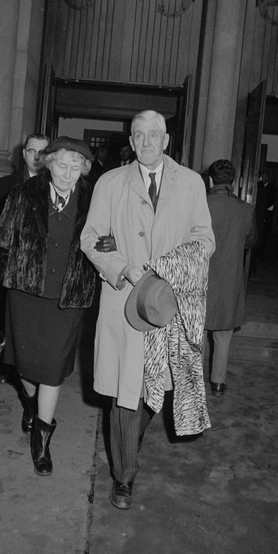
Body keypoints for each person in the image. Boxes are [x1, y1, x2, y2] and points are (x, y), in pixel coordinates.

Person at [81, 110, 215, 510]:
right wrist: (122, 267)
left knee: (156, 386)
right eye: (138, 135)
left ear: (166, 139)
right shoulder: (110, 182)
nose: (146, 142)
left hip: (167, 303)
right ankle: (124, 476)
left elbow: (205, 239)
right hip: (124, 300)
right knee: (126, 391)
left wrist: (171, 267)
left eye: (153, 135)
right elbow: (92, 238)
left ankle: (129, 441)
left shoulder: (190, 183)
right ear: (131, 141)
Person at [0, 137, 97, 476]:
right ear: (49, 163)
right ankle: (30, 404)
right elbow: (0, 241)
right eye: (62, 165)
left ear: (84, 170)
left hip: (69, 296)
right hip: (26, 292)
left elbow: (106, 238)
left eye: (75, 167)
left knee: (52, 369)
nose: (68, 173)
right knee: (26, 368)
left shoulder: (94, 200)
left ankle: (42, 440)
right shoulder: (23, 194)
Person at [0, 132, 50, 383]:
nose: (37, 157)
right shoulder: (5, 185)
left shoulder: (55, 186)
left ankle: (29, 368)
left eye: (43, 152)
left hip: (40, 269)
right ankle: (6, 367)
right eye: (31, 151)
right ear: (23, 153)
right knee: (7, 317)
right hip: (11, 266)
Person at [204, 160, 258, 397]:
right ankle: (218, 383)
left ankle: (192, 383)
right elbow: (251, 240)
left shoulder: (200, 204)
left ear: (210, 180)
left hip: (200, 277)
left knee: (195, 334)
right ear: (234, 182)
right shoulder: (245, 209)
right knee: (223, 335)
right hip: (230, 277)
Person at [249, 170, 276, 275]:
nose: (262, 179)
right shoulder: (258, 187)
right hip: (257, 217)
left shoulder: (270, 188)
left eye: (264, 177)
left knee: (262, 237)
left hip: (263, 216)